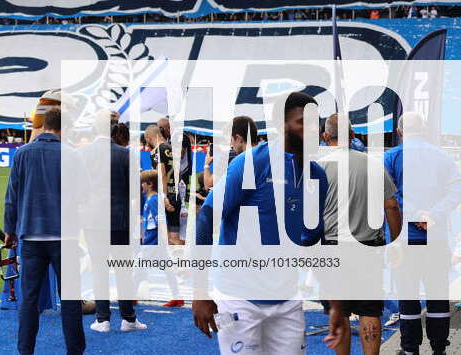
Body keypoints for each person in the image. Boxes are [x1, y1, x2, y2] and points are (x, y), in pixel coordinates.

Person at [192, 92, 349, 354]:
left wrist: (335, 305)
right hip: (239, 296)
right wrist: (199, 291)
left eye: (316, 122)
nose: (313, 130)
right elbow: (206, 218)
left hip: (286, 298)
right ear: (280, 125)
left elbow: (315, 244)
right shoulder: (251, 163)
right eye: (303, 122)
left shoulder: (317, 177)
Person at [318, 113, 401, 355]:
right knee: (370, 310)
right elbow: (391, 206)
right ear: (353, 134)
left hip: (333, 247)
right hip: (368, 247)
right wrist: (395, 243)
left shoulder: (319, 167)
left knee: (339, 312)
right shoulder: (372, 164)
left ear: (325, 136)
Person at [4, 107, 85, 355]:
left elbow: (11, 196)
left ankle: (25, 350)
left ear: (44, 125)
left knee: (29, 298)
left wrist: (9, 230)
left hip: (31, 233)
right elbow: (84, 195)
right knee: (70, 299)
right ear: (64, 128)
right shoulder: (72, 154)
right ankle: (75, 351)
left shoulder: (22, 153)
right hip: (65, 235)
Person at [384, 111, 461, 355]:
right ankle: (439, 348)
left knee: (408, 296)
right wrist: (433, 215)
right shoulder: (443, 157)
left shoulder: (391, 157)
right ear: (425, 130)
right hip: (435, 239)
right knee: (438, 295)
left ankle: (410, 349)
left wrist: (414, 214)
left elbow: (387, 196)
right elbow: (456, 190)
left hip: (404, 240)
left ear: (399, 132)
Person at [90, 125, 147, 334]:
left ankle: (103, 319)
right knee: (123, 269)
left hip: (94, 221)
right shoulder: (125, 154)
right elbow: (135, 190)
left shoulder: (85, 154)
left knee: (99, 270)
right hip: (119, 219)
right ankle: (128, 318)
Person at [203, 115, 257, 190]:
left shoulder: (229, 156)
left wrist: (206, 165)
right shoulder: (267, 156)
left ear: (238, 138)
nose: (231, 145)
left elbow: (209, 185)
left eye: (231, 140)